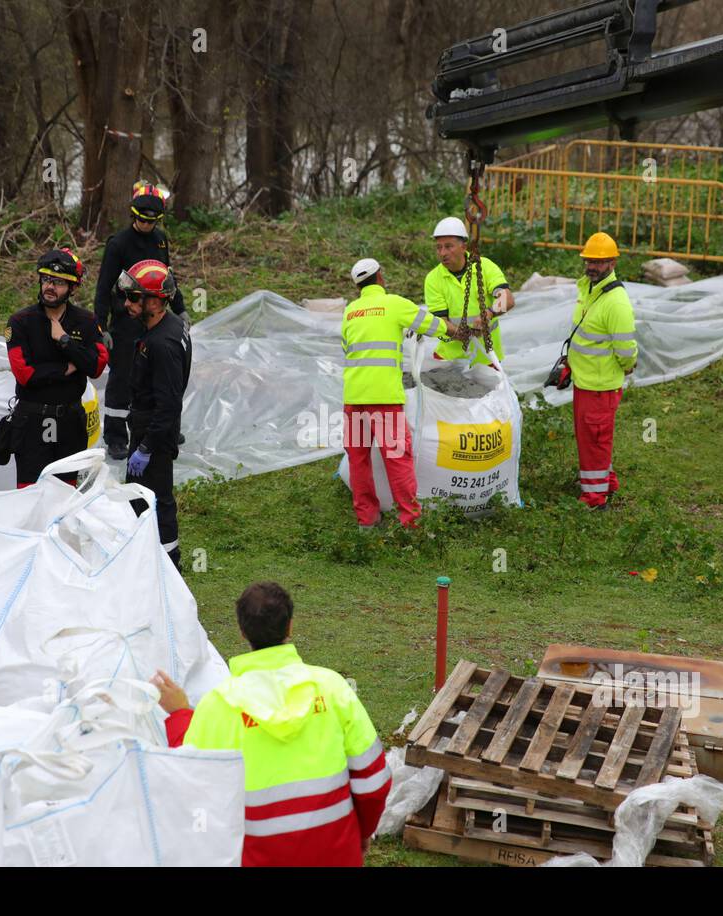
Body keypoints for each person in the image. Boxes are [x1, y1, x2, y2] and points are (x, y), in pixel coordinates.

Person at [152, 582, 391, 867]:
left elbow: (192, 775)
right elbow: (373, 782)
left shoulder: (220, 705)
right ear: (290, 626)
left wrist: (180, 713)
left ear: (242, 632)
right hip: (336, 854)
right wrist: (362, 832)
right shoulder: (332, 688)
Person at [341, 257, 472, 528]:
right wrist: (459, 332)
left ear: (358, 286)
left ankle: (367, 520)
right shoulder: (394, 304)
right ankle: (409, 521)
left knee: (358, 459)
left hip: (354, 399)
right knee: (397, 458)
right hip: (384, 399)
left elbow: (347, 348)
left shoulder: (350, 311)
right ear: (381, 278)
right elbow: (432, 324)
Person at [93, 181, 186, 461]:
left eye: (152, 221)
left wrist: (180, 310)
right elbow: (103, 287)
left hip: (156, 317)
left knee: (159, 374)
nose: (146, 226)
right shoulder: (118, 244)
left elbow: (167, 276)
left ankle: (163, 428)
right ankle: (116, 437)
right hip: (127, 318)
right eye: (142, 220)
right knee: (122, 378)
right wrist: (101, 327)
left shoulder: (160, 240)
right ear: (133, 215)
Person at [6, 248, 108, 487]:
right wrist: (65, 369)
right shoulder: (20, 322)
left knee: (67, 491)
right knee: (29, 492)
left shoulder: (86, 321)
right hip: (31, 421)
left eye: (59, 282)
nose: (50, 287)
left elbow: (96, 366)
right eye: (46, 280)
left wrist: (65, 342)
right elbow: (25, 375)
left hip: (70, 421)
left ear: (73, 288)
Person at [121, 259, 191, 570]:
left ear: (156, 301)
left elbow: (168, 403)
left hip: (153, 433)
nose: (128, 303)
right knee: (142, 498)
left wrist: (146, 447)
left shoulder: (162, 343)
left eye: (134, 297)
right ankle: (144, 560)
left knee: (155, 500)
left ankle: (167, 564)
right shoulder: (171, 326)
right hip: (152, 428)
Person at [567, 231, 638, 510]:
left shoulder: (615, 301)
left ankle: (594, 499)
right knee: (593, 440)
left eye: (599, 262)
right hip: (585, 382)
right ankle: (606, 482)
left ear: (612, 263)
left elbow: (626, 349)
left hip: (600, 386)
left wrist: (627, 365)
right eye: (589, 261)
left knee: (595, 440)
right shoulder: (588, 289)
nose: (592, 267)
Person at [424, 216, 514, 367]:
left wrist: (489, 313)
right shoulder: (433, 279)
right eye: (439, 247)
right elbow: (442, 320)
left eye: (448, 246)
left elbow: (507, 300)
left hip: (487, 356)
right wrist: (462, 333)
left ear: (463, 247)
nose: (442, 253)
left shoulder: (484, 267)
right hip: (450, 358)